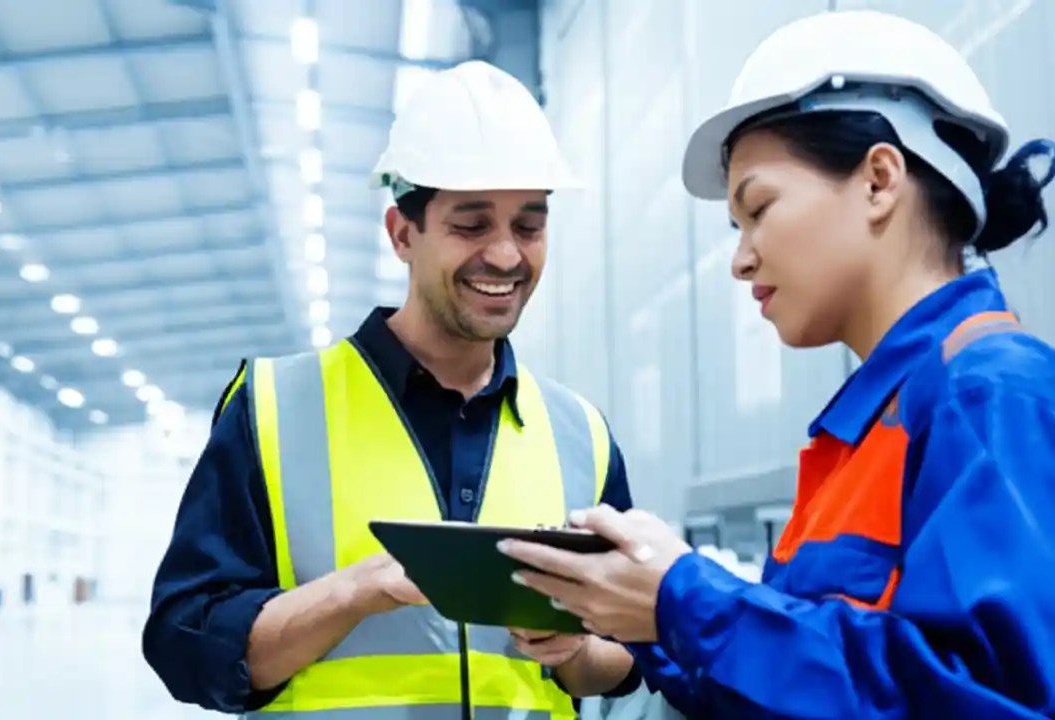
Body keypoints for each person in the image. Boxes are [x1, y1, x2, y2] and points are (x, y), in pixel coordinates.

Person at [495, 9, 1055, 719]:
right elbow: (811, 686)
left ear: (880, 180)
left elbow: (995, 698)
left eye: (757, 208)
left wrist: (685, 601)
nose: (740, 258)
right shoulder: (869, 425)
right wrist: (637, 615)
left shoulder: (991, 391)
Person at [142, 59, 640, 719]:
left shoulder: (581, 433)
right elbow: (187, 647)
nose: (506, 254)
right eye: (471, 224)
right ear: (402, 233)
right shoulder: (273, 408)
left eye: (528, 224)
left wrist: (574, 655)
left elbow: (633, 647)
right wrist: (358, 590)